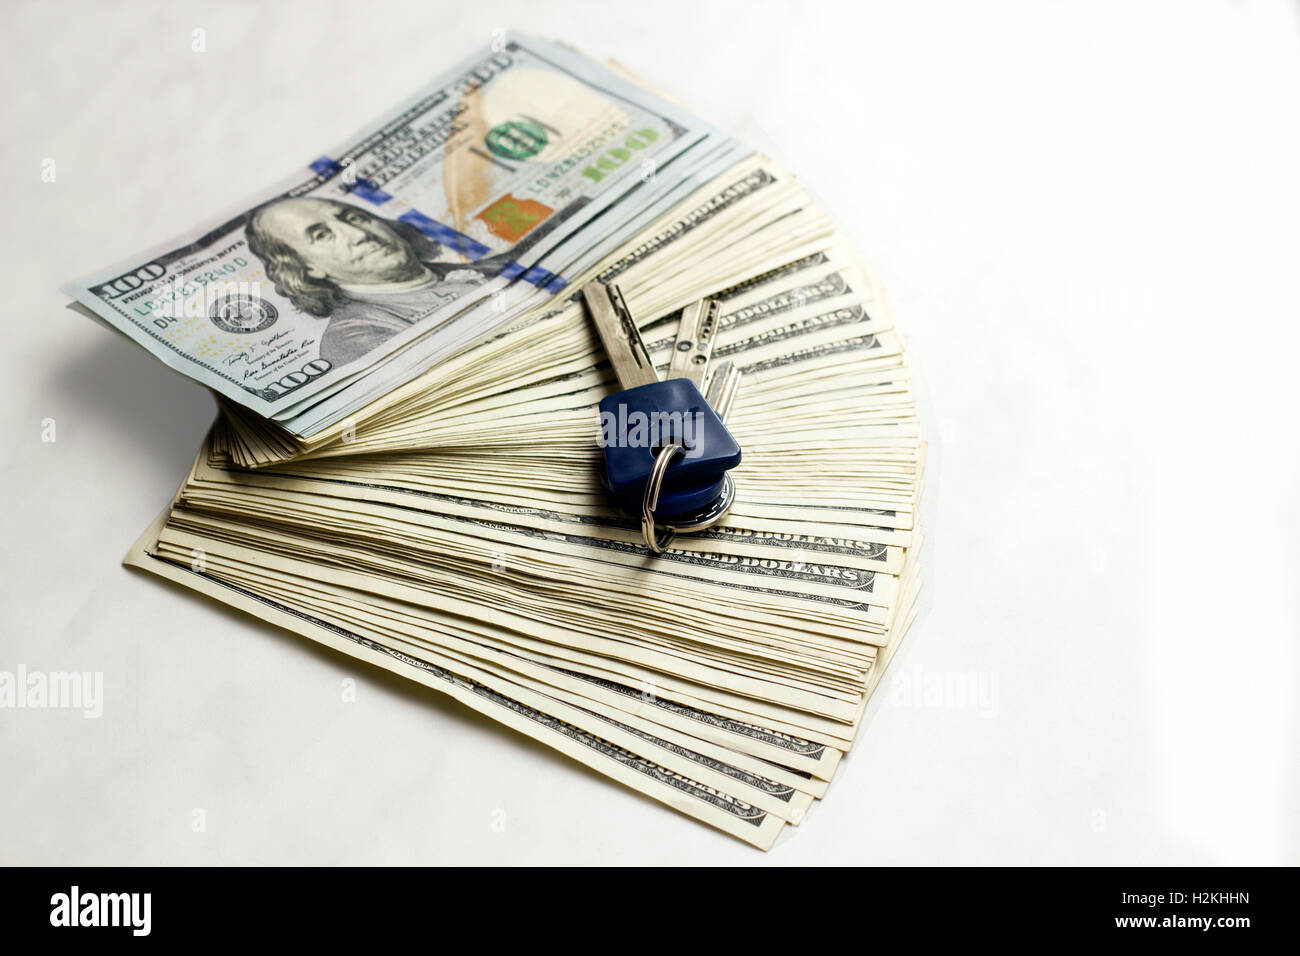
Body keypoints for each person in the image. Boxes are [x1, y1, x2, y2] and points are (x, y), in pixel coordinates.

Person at [245, 197, 487, 366]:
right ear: (308, 267)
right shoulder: (354, 336)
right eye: (322, 235)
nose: (359, 235)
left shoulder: (482, 269)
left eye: (353, 218)